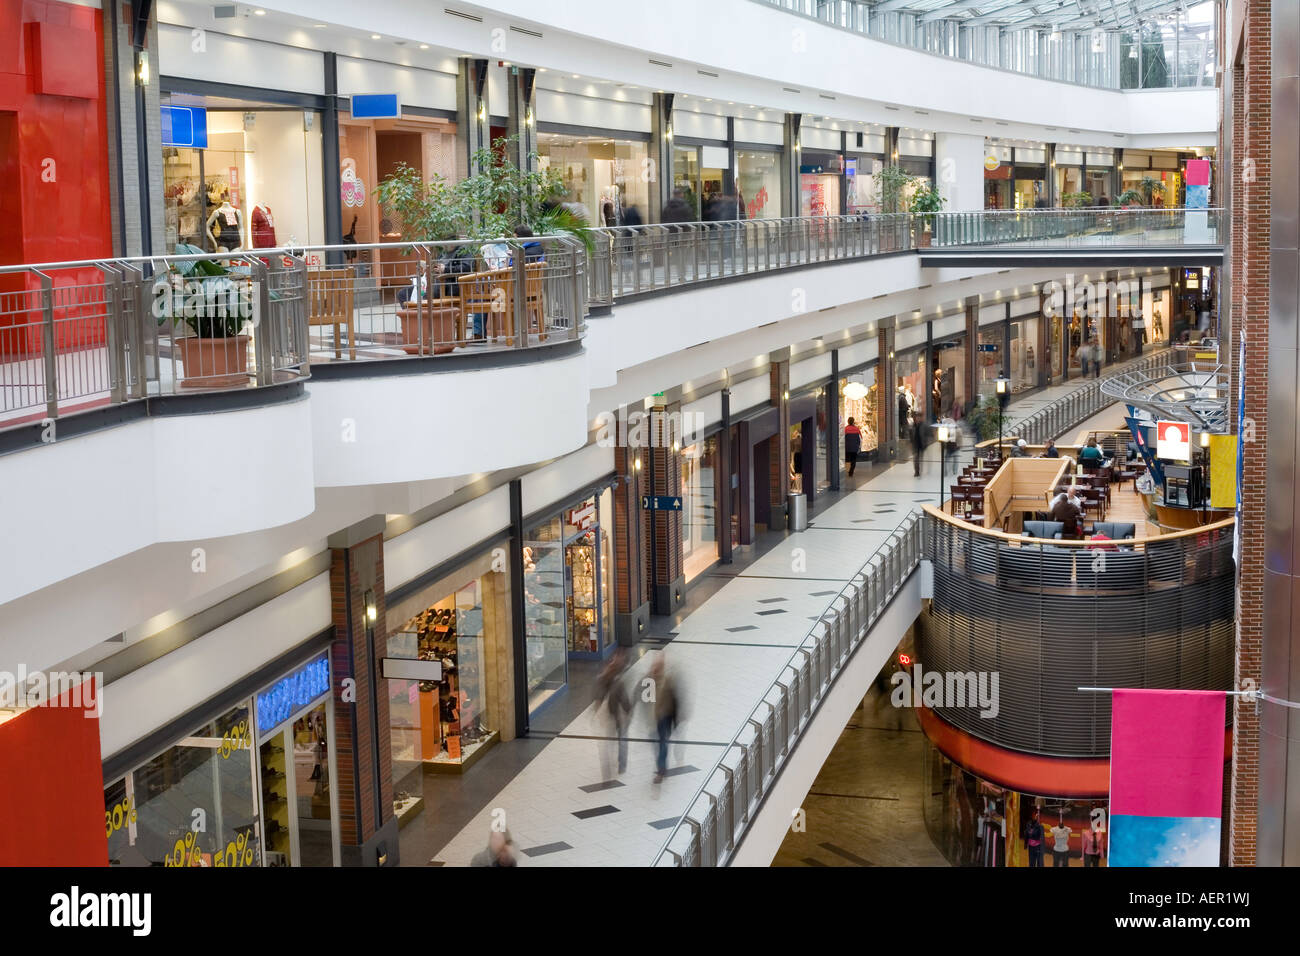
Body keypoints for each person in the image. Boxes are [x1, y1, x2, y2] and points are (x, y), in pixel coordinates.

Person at [595, 649, 632, 776]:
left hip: (616, 715)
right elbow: (599, 695)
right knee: (615, 740)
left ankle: (620, 764)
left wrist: (627, 712)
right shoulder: (607, 678)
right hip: (611, 715)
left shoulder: (615, 679)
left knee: (619, 739)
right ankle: (614, 766)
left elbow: (624, 700)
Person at [650, 652, 683, 784]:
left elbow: (675, 700)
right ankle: (662, 766)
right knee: (659, 742)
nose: (654, 670)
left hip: (665, 717)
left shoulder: (668, 680)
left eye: (657, 667)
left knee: (662, 742)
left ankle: (661, 769)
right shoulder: (654, 681)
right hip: (658, 717)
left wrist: (676, 719)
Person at [911, 411, 924, 477]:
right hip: (915, 445)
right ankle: (917, 471)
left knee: (920, 459)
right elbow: (911, 435)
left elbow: (925, 434)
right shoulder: (913, 425)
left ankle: (919, 470)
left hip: (921, 445)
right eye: (916, 417)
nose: (917, 418)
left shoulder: (922, 425)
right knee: (916, 459)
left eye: (918, 417)